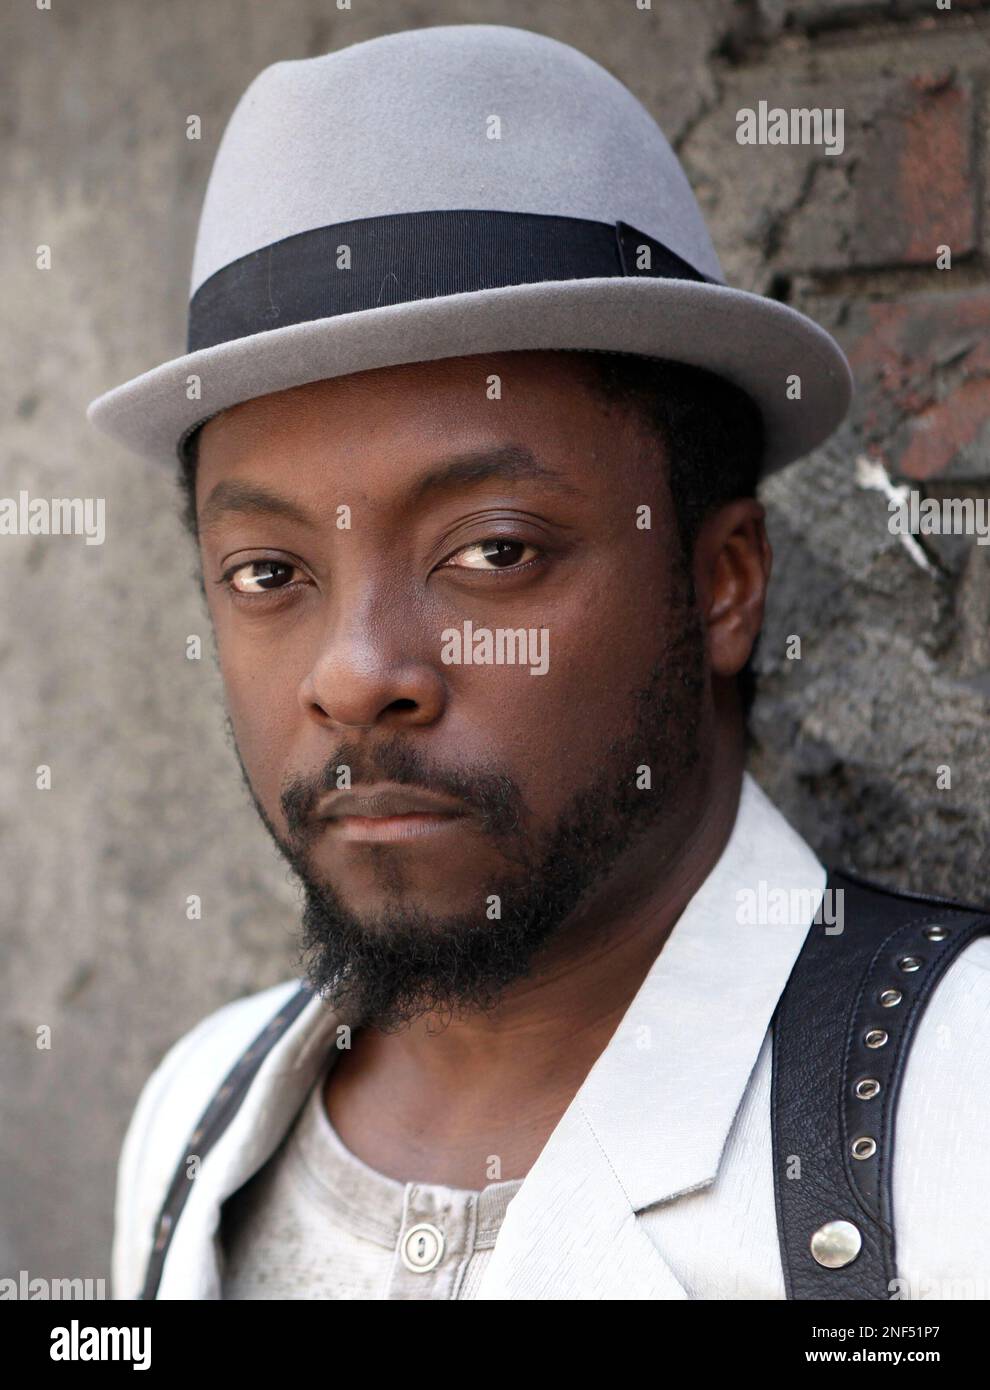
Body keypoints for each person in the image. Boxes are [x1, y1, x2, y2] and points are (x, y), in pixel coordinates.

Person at [87, 24, 990, 1301]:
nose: (355, 675)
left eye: (493, 551)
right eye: (268, 573)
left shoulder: (957, 1120)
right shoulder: (194, 1124)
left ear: (723, 581)